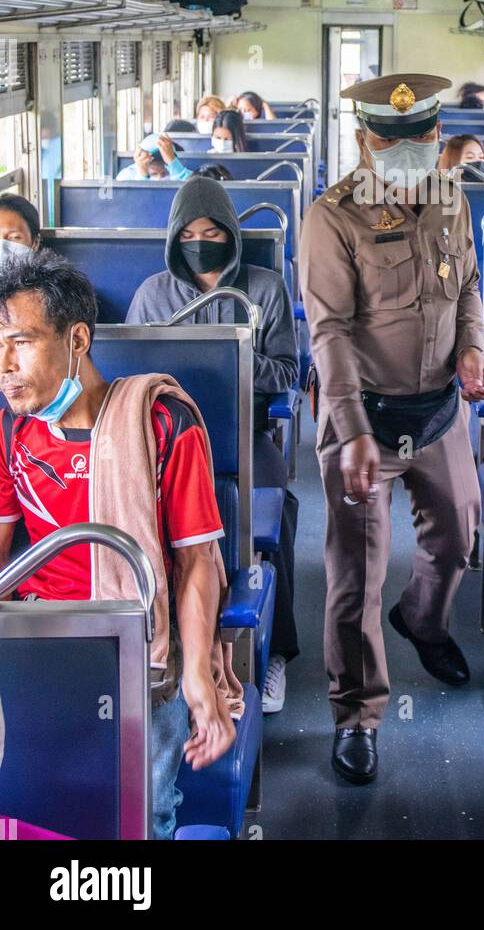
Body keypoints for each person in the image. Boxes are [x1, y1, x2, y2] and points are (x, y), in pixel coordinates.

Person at [0, 251, 238, 838]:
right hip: (40, 636)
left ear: (76, 338)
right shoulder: (10, 428)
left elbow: (196, 559)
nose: (5, 364)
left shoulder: (159, 422)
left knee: (142, 817)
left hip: (139, 646)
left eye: (21, 342)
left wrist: (198, 676)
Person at [301, 73, 484, 785]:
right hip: (367, 416)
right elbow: (328, 329)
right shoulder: (333, 216)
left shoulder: (451, 198)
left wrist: (473, 345)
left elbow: (468, 284)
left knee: (457, 534)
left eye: (418, 139)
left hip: (439, 407)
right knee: (357, 570)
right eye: (389, 140)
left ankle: (423, 619)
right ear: (362, 141)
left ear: (436, 137)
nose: (406, 151)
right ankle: (356, 713)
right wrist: (348, 426)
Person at [126, 176, 299, 714]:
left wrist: (232, 361)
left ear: (230, 234)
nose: (202, 243)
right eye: (191, 234)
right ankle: (154, 647)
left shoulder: (265, 288)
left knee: (275, 509)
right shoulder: (153, 294)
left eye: (213, 232)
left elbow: (288, 372)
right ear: (176, 240)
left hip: (241, 433)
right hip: (164, 442)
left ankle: (275, 651)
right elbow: (131, 375)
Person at [116, 134, 193, 182]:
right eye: (154, 174)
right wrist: (143, 176)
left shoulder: (182, 173)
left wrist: (173, 163)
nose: (159, 178)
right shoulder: (126, 177)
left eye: (164, 173)